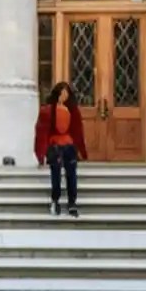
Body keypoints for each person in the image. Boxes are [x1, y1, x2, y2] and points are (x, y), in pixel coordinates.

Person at [34, 82, 88, 218]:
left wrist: (81, 150)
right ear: (57, 94)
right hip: (55, 146)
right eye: (62, 92)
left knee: (72, 176)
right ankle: (55, 200)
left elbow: (78, 131)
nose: (65, 95)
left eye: (66, 93)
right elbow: (42, 132)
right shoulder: (47, 110)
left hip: (69, 146)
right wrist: (41, 154)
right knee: (56, 175)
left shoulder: (73, 111)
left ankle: (72, 203)